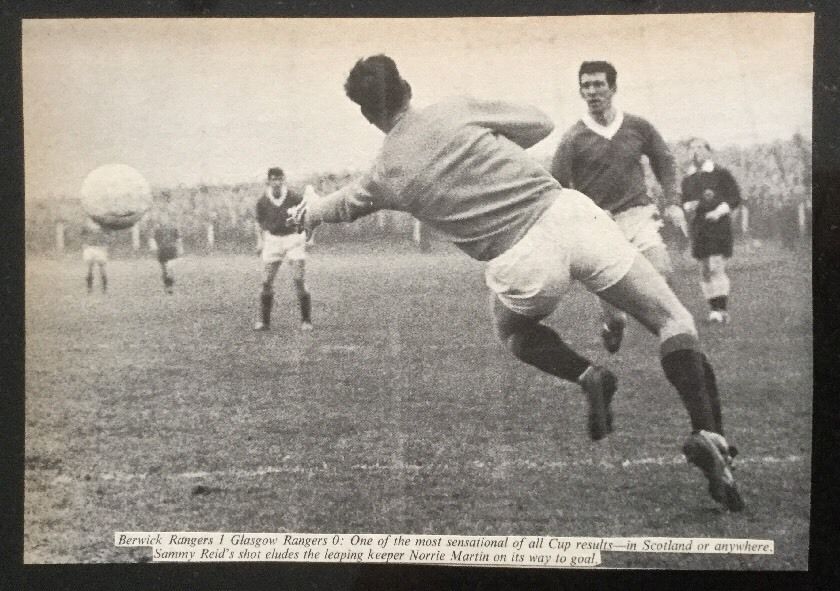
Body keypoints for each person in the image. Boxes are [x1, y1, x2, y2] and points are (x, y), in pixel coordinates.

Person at [289, 55, 744, 511]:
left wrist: (309, 210)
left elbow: (339, 206)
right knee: (673, 320)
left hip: (521, 260)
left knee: (511, 330)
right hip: (569, 216)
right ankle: (709, 432)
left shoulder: (383, 174)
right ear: (406, 87)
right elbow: (540, 124)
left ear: (369, 115)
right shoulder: (456, 109)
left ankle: (588, 375)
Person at [551, 61, 687, 354]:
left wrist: (674, 203)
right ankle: (612, 324)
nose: (592, 91)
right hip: (599, 225)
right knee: (614, 309)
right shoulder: (573, 137)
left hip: (638, 215)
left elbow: (665, 161)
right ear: (580, 92)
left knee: (661, 273)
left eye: (598, 84)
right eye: (586, 86)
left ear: (613, 88)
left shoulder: (638, 126)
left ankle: (674, 337)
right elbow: (557, 187)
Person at [681, 138, 742, 324]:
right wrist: (688, 206)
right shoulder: (688, 178)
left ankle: (721, 309)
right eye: (692, 147)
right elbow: (684, 201)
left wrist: (718, 211)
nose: (696, 151)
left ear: (708, 151)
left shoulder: (720, 173)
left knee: (716, 265)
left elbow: (735, 197)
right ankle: (713, 309)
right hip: (699, 226)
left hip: (718, 225)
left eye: (700, 147)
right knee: (705, 269)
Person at [254, 167, 312, 332]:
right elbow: (258, 223)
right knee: (266, 281)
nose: (277, 182)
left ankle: (306, 320)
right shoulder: (263, 201)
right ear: (269, 181)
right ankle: (264, 322)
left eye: (280, 179)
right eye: (274, 179)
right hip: (272, 240)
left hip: (293, 238)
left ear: (284, 180)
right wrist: (260, 241)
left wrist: (309, 237)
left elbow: (307, 216)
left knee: (298, 279)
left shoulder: (294, 197)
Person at [152, 211, 182, 295]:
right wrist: (157, 248)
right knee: (164, 270)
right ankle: (167, 287)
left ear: (168, 219)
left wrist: (179, 248)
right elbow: (155, 240)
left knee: (170, 268)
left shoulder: (173, 228)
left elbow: (178, 238)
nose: (163, 220)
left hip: (171, 250)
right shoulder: (158, 229)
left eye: (165, 218)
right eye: (162, 218)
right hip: (162, 251)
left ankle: (170, 287)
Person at [80, 217, 111, 293]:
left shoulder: (103, 222)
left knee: (102, 268)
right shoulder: (87, 222)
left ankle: (104, 288)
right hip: (90, 248)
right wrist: (84, 243)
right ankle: (89, 288)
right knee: (89, 268)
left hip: (100, 248)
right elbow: (82, 234)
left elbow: (108, 234)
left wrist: (106, 245)